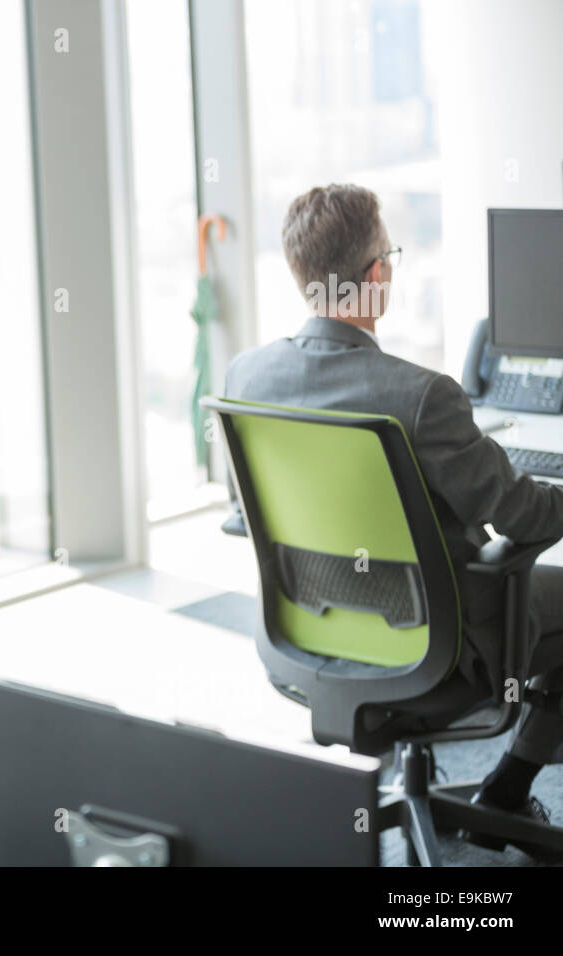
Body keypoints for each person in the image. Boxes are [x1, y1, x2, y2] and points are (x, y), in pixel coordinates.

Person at [223, 183, 563, 858]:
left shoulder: (246, 378)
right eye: (392, 256)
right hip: (437, 642)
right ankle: (508, 786)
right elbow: (521, 516)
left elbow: (247, 516)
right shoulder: (420, 396)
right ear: (377, 274)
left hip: (307, 627)